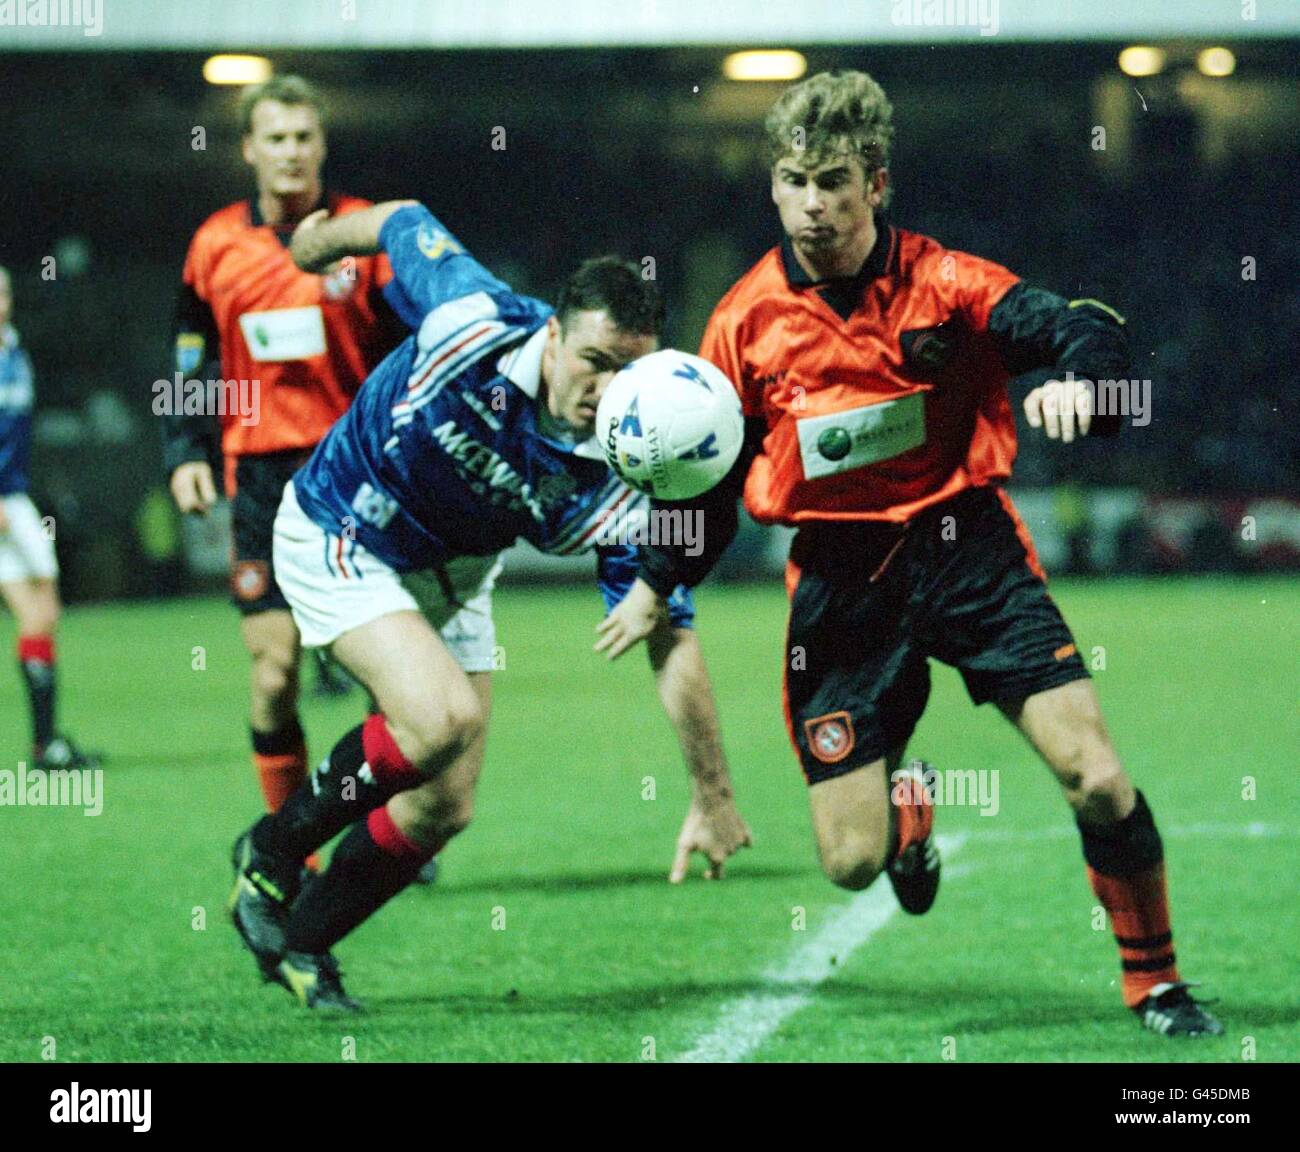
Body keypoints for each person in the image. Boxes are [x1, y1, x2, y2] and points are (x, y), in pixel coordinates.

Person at [603, 70, 1221, 1038]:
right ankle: (908, 814)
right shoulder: (741, 324)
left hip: (964, 549)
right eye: (794, 181)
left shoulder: (943, 283)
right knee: (849, 863)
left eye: (834, 182)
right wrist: (656, 581)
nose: (812, 204)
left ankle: (1157, 984)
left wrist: (1084, 388)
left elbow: (1080, 326)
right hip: (841, 585)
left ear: (876, 184)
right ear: (773, 185)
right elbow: (711, 483)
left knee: (1096, 776)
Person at [228, 201, 752, 1011]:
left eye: (627, 371)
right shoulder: (474, 319)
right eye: (593, 361)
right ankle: (270, 853)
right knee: (439, 719)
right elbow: (404, 220)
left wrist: (712, 792)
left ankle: (303, 940)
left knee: (445, 804)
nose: (605, 389)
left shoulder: (626, 469)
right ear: (553, 334)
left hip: (452, 575)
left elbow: (669, 631)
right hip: (343, 525)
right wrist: (313, 244)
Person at [164, 75, 402, 840]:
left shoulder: (363, 232)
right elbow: (191, 359)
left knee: (384, 668)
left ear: (322, 145)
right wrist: (184, 448)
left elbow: (408, 344)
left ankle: (379, 822)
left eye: (304, 137)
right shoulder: (215, 245)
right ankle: (290, 848)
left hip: (352, 469)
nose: (292, 153)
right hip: (261, 475)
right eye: (276, 138)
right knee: (274, 672)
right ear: (249, 150)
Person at [0, 265, 98, 770]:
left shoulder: (15, 352)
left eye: (4, 291)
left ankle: (46, 744)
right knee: (37, 613)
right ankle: (46, 747)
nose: (1, 300)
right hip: (2, 502)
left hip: (16, 498)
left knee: (43, 615)